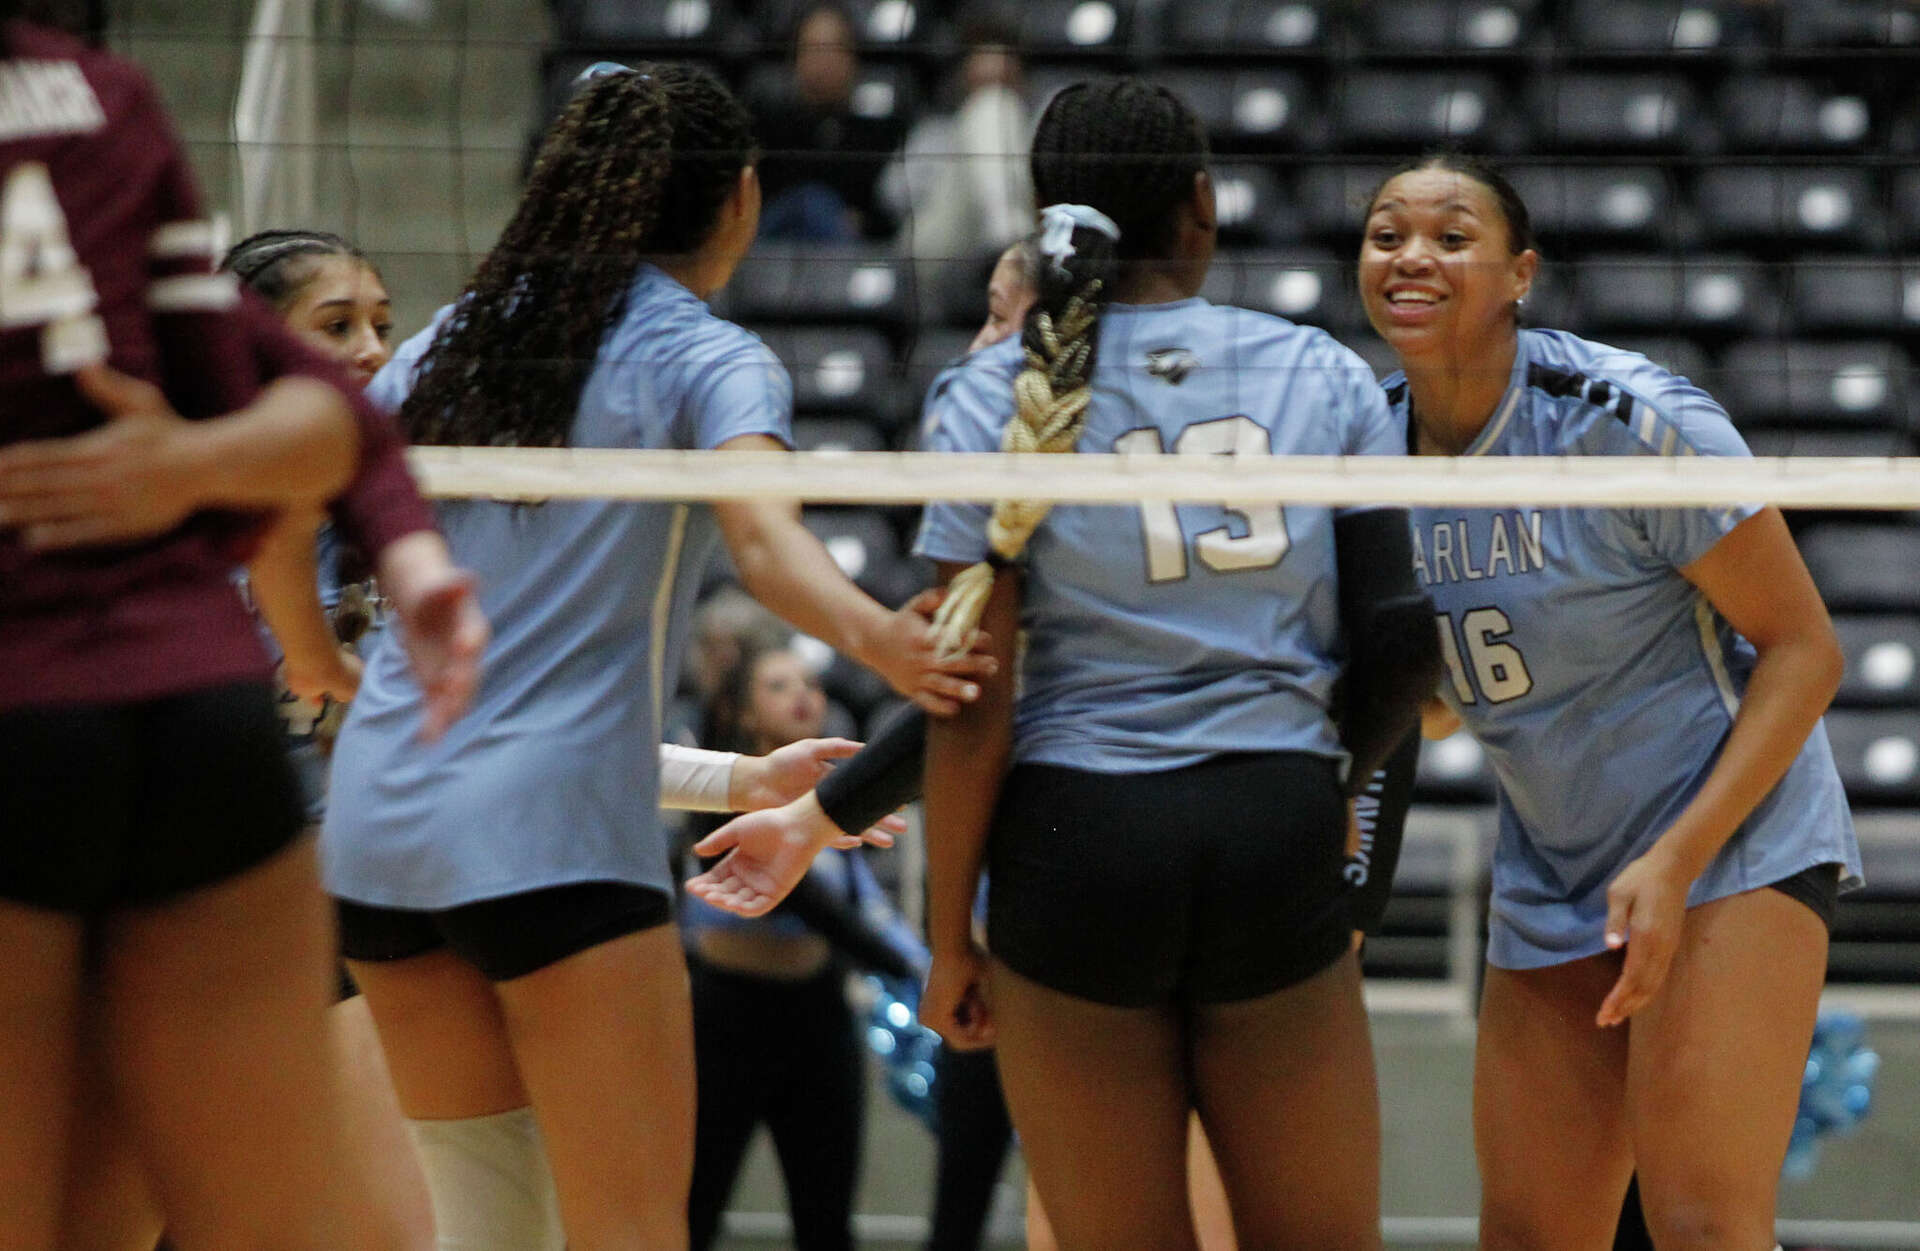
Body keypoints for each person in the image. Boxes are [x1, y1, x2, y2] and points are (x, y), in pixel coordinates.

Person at [320, 62, 986, 1251]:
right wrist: (885, 638)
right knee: (631, 1231)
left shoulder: (442, 344)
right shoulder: (705, 355)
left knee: (485, 1224)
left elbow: (312, 553)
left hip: (379, 831)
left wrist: (733, 778)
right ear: (740, 197)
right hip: (552, 841)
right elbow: (769, 550)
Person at [907, 79, 1436, 1251]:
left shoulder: (992, 393)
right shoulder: (1320, 372)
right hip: (1270, 820)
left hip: (1075, 836)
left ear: (1047, 221)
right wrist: (1318, 791)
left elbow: (968, 697)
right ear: (1202, 206)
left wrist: (948, 939)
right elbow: (1404, 642)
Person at [0, 7, 482, 1248]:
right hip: (197, 731)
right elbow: (328, 424)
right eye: (343, 322)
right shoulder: (101, 101)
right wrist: (406, 550)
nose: (376, 347)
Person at [1360, 154, 1862, 1250]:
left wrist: (1677, 860)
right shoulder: (1356, 452)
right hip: (1557, 862)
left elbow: (1805, 652)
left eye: (1451, 238)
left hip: (1732, 844)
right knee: (1531, 1234)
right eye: (1386, 233)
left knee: (1701, 1228)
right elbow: (1443, 700)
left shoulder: (1624, 421)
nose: (1410, 256)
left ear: (1520, 273)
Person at [683, 642, 927, 1251]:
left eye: (811, 685)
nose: (803, 696)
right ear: (740, 712)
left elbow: (863, 905)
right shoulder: (711, 797)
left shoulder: (835, 805)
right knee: (694, 1212)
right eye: (777, 685)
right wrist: (904, 966)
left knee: (826, 1223)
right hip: (724, 1017)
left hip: (818, 1015)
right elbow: (817, 908)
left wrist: (926, 966)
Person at [882, 17, 1033, 317]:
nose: (993, 74)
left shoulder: (1040, 125)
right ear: (964, 74)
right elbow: (892, 194)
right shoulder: (935, 132)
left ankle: (1005, 246)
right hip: (947, 254)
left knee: (996, 111)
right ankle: (1008, 245)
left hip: (1025, 228)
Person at [749, 2, 904, 241]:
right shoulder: (769, 127)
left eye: (832, 48)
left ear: (853, 57)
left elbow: (887, 214)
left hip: (847, 253)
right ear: (795, 58)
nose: (822, 62)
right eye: (813, 49)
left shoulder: (880, 133)